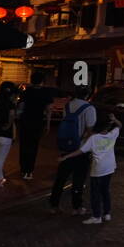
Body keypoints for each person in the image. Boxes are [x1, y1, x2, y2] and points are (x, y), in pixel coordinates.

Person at [66, 112, 119, 225]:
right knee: (105, 191)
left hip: (98, 170)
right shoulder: (112, 134)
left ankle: (96, 216)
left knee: (95, 193)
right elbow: (120, 126)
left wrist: (66, 156)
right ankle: (107, 213)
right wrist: (114, 119)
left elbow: (81, 151)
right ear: (108, 126)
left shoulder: (94, 138)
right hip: (109, 167)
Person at [50, 85, 96, 214]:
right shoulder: (89, 108)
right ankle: (77, 207)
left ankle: (54, 205)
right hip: (81, 148)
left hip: (66, 146)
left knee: (61, 177)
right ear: (88, 95)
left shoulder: (68, 106)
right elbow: (89, 130)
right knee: (78, 179)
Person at [16, 71, 55, 181]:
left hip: (25, 121)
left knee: (23, 145)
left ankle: (23, 168)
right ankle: (29, 171)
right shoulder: (46, 93)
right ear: (42, 81)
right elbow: (49, 110)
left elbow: (20, 106)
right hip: (37, 122)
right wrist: (48, 124)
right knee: (33, 146)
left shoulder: (26, 91)